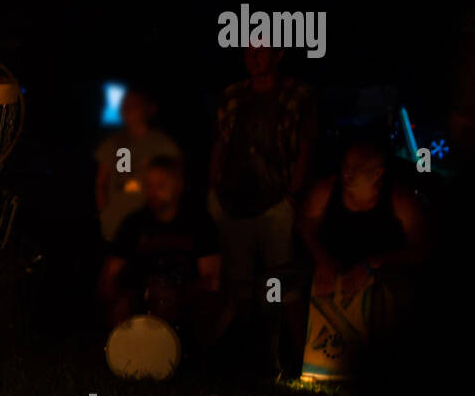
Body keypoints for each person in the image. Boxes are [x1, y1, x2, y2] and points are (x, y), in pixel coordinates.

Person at [208, 40, 316, 376]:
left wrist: (293, 194)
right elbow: (221, 143)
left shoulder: (297, 94)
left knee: (283, 283)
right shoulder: (233, 94)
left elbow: (305, 146)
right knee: (239, 285)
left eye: (263, 50)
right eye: (249, 51)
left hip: (276, 201)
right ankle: (248, 361)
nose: (254, 57)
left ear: (280, 54)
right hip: (234, 200)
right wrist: (213, 189)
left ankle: (301, 361)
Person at [298, 138, 427, 338]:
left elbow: (423, 250)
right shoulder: (326, 191)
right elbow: (305, 225)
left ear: (378, 174)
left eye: (357, 168)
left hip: (384, 293)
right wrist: (321, 258)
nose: (347, 173)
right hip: (330, 285)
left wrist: (373, 264)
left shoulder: (401, 201)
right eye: (346, 166)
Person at [99, 156, 224, 356]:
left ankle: (194, 355)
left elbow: (211, 280)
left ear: (179, 186)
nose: (153, 192)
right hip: (140, 301)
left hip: (183, 300)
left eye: (161, 185)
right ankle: (122, 352)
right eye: (148, 185)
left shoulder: (200, 223)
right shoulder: (133, 224)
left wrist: (178, 293)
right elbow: (110, 274)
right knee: (121, 302)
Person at [93, 86, 182, 243]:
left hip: (152, 224)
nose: (128, 108)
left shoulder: (163, 144)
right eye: (125, 104)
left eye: (134, 104)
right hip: (117, 223)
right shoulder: (116, 143)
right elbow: (103, 182)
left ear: (150, 108)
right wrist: (105, 213)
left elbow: (176, 180)